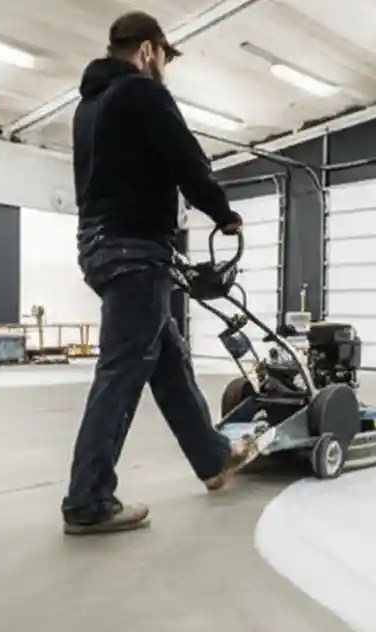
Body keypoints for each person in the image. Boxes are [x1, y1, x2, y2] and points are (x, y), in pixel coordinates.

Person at [63, 11, 253, 535]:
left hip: (99, 246)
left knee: (168, 360)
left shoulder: (88, 106)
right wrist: (223, 213)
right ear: (148, 51)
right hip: (135, 251)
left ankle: (213, 458)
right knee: (121, 373)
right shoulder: (142, 92)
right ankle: (87, 501)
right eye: (165, 58)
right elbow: (185, 159)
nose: (165, 68)